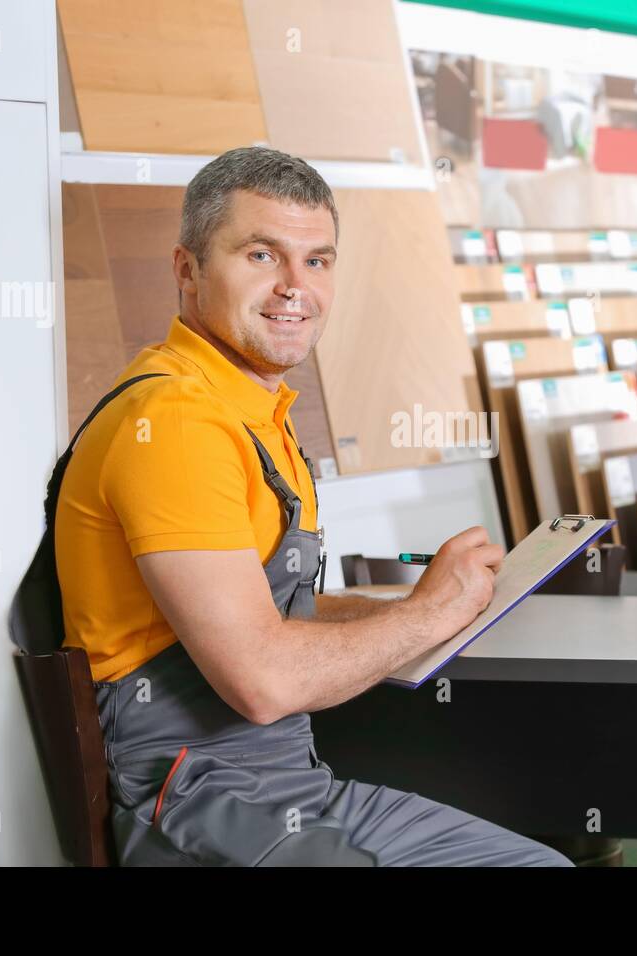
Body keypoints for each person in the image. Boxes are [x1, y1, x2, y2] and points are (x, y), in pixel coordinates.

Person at [54, 146, 572, 867]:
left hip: (290, 787)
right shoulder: (174, 421)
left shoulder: (254, 411)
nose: (295, 287)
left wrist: (425, 604)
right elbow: (264, 680)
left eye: (318, 260)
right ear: (187, 269)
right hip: (196, 798)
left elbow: (264, 617)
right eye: (262, 255)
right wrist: (428, 616)